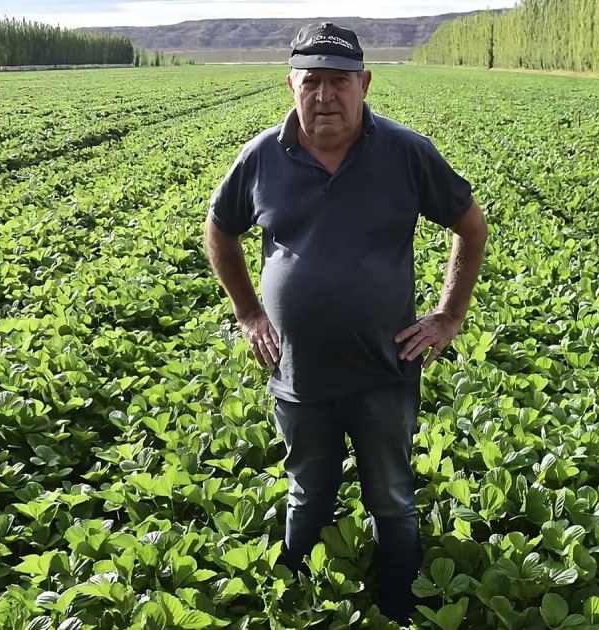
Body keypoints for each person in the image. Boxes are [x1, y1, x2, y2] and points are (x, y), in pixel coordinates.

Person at [203, 21, 487, 624]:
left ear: (364, 83)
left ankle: (399, 606)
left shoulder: (407, 152)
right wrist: (249, 312)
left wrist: (449, 316)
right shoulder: (260, 157)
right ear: (291, 85)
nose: (325, 96)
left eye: (339, 81)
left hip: (386, 368)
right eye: (312, 82)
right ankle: (298, 602)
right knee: (308, 494)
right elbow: (220, 230)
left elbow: (470, 226)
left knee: (391, 497)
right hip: (298, 373)